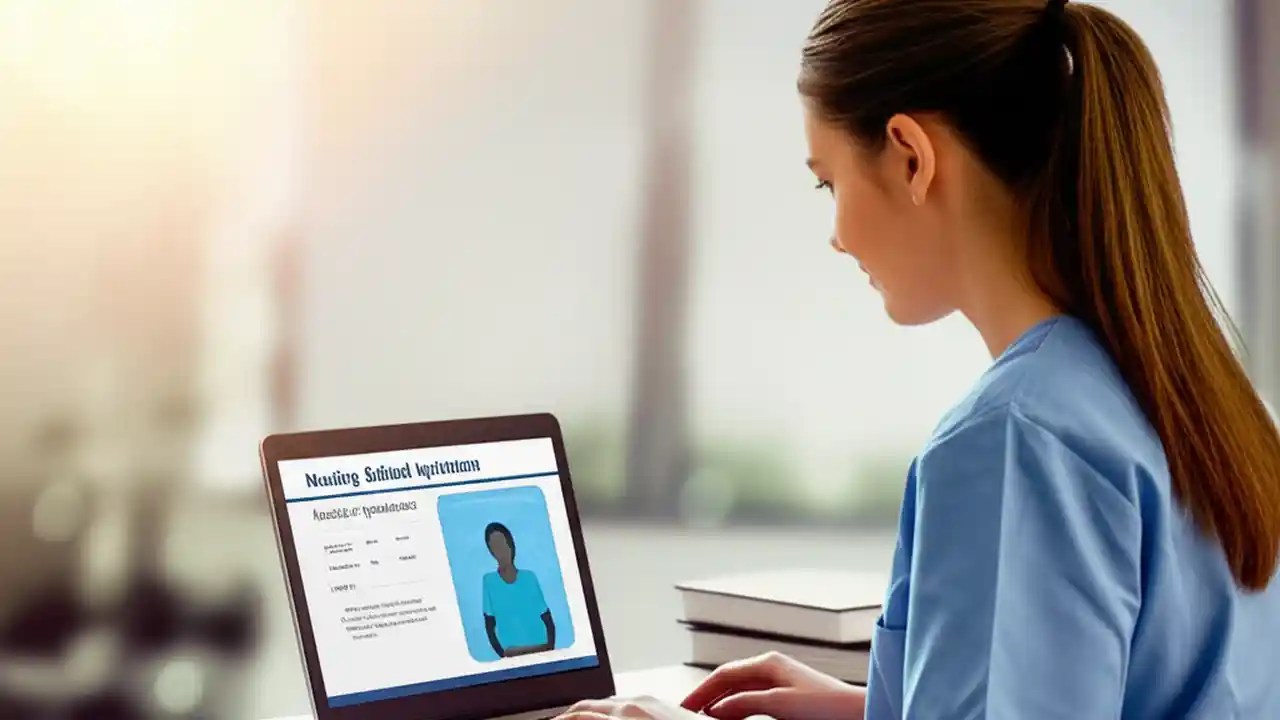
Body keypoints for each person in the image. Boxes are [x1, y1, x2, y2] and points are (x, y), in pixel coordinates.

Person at [556, 0, 1280, 718]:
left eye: (828, 182)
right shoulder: (1211, 401)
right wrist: (882, 707)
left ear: (910, 155)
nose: (836, 235)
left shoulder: (1014, 439)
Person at [481, 522, 556, 658]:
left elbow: (546, 617)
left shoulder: (529, 577)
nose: (501, 550)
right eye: (495, 547)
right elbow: (489, 626)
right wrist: (502, 654)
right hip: (512, 652)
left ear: (511, 544)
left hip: (542, 647)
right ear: (491, 551)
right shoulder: (489, 581)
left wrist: (550, 646)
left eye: (503, 544)